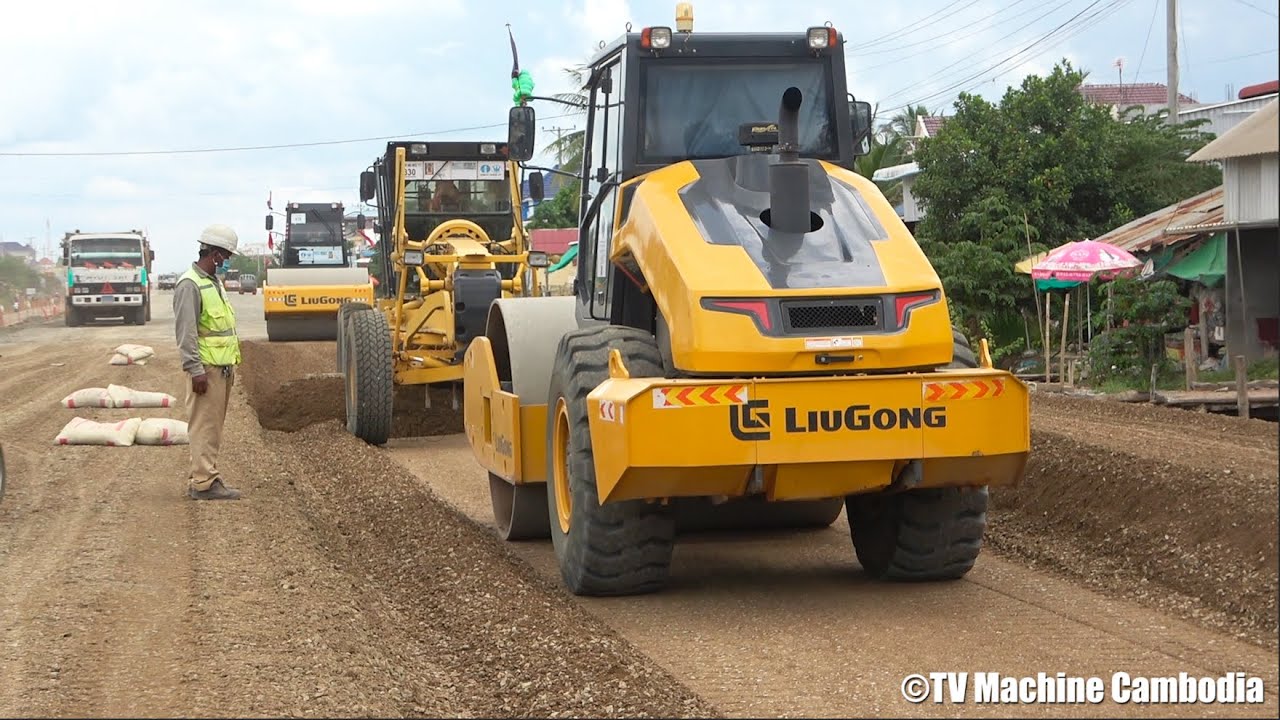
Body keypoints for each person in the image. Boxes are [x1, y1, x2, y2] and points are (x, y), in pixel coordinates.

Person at [173, 224, 243, 501]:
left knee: (212, 426)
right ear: (214, 254)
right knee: (204, 426)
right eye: (225, 256)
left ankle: (207, 477)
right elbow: (186, 333)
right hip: (206, 371)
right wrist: (195, 371)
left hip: (221, 368)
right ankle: (203, 483)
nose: (227, 262)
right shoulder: (189, 285)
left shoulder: (213, 283)